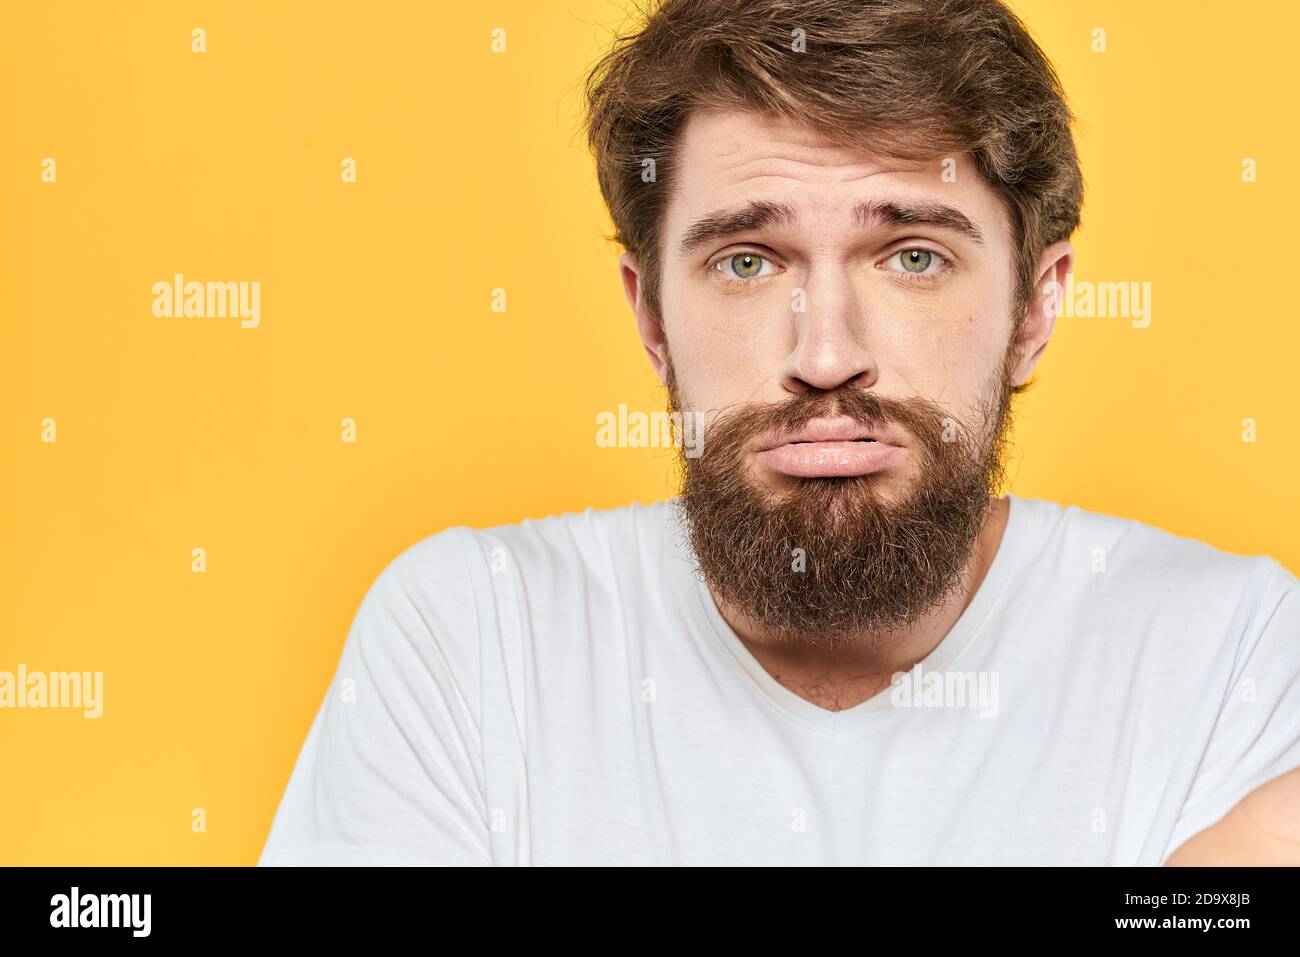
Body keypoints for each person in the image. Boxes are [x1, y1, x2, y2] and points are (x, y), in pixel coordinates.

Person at [258, 0, 1300, 865]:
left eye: (912, 257)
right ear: (651, 318)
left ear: (1034, 310)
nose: (826, 354)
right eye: (748, 260)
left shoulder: (1235, 654)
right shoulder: (471, 642)